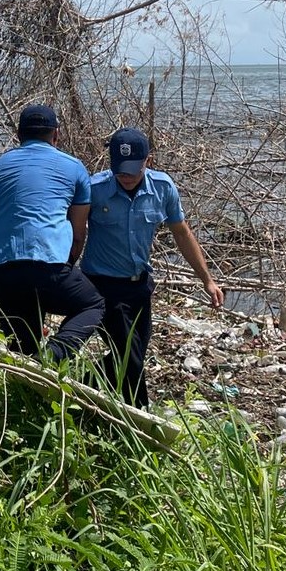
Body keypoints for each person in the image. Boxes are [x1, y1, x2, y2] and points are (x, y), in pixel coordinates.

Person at [81, 128, 224, 407]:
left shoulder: (163, 187)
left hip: (140, 287)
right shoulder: (94, 189)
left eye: (133, 169)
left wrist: (207, 280)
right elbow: (71, 230)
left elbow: (182, 234)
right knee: (128, 357)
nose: (126, 176)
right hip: (102, 285)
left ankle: (83, 387)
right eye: (120, 170)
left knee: (132, 355)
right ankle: (140, 415)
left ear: (149, 160)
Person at [0, 104, 104, 362]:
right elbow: (78, 234)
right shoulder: (74, 168)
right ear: (56, 135)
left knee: (22, 351)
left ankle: (25, 393)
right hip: (46, 268)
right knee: (93, 304)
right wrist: (67, 266)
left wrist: (1, 247)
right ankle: (56, 352)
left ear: (19, 135)